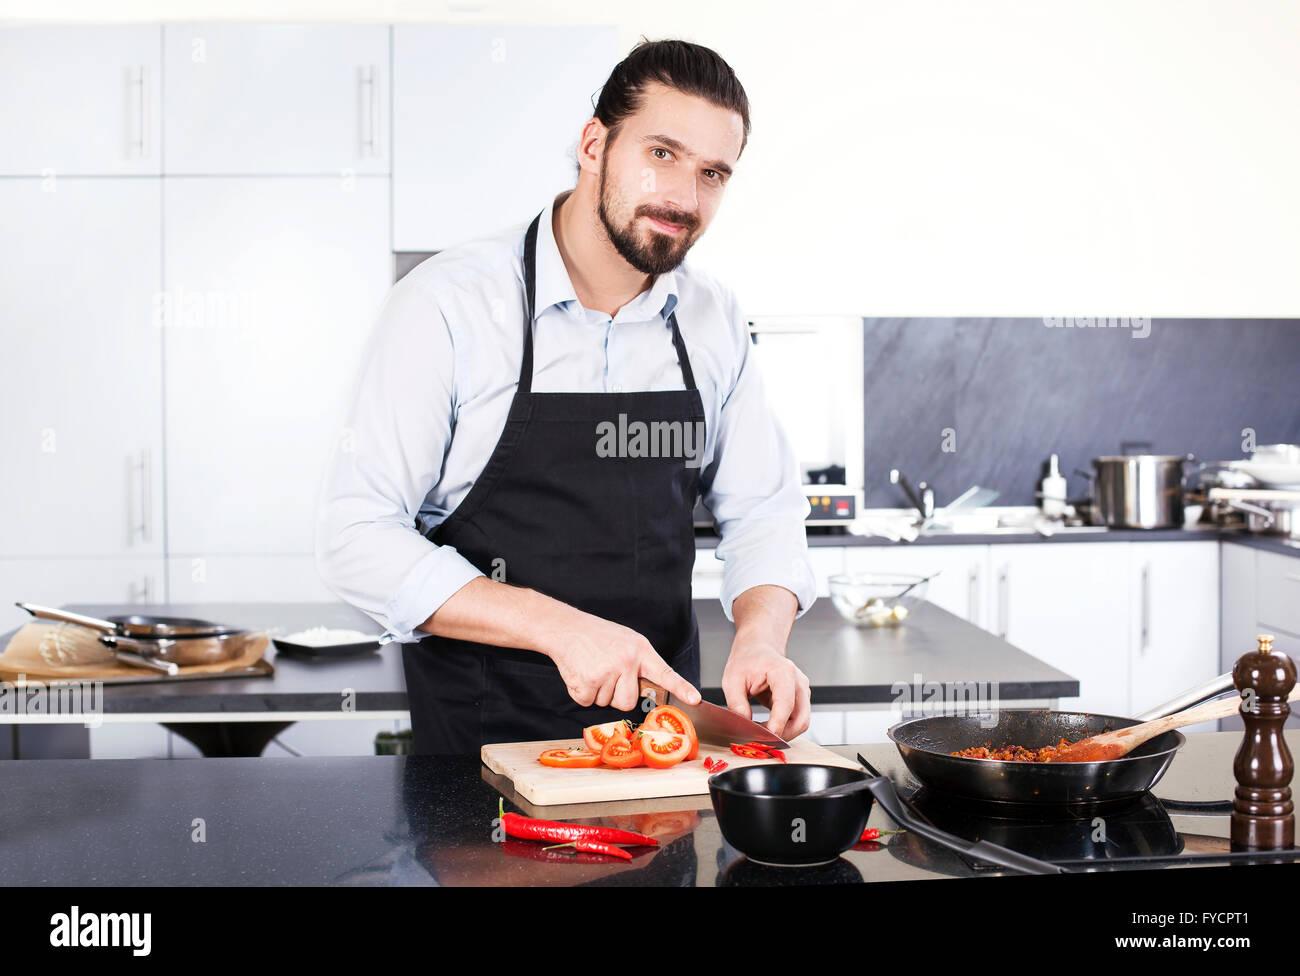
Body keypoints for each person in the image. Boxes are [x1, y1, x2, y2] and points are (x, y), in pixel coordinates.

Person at [316, 38, 816, 755]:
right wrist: (561, 628)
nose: (683, 198)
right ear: (593, 144)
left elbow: (764, 511)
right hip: (483, 759)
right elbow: (354, 536)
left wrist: (762, 640)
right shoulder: (449, 306)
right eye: (662, 154)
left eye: (713, 173)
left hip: (662, 753)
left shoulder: (714, 319)